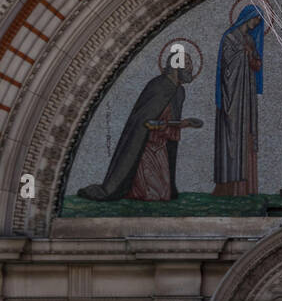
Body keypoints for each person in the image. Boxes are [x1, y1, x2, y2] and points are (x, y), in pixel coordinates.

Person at [78, 51, 201, 202]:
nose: (191, 68)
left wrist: (183, 124)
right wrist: (182, 124)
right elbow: (146, 123)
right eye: (187, 64)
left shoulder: (179, 92)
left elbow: (170, 124)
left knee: (163, 195)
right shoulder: (158, 86)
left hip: (161, 147)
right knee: (155, 196)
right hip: (145, 149)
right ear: (176, 66)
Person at [213, 5, 264, 195]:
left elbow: (256, 64)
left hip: (247, 94)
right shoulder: (230, 37)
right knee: (232, 135)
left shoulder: (250, 39)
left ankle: (246, 187)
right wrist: (243, 55)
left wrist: (250, 55)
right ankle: (229, 185)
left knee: (247, 133)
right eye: (256, 18)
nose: (257, 22)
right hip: (233, 94)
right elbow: (226, 67)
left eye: (259, 20)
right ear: (248, 17)